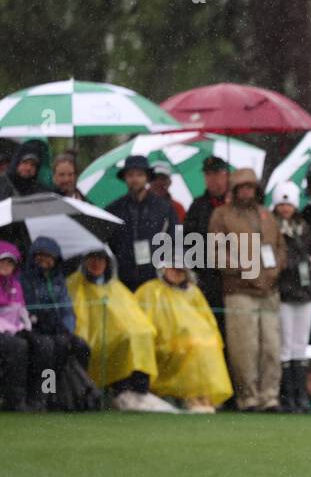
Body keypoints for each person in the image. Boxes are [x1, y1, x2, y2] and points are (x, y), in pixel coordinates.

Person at [207, 168, 284, 411]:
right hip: (239, 289)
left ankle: (269, 395)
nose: (246, 191)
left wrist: (273, 272)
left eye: (250, 187)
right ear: (235, 190)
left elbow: (280, 249)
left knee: (271, 345)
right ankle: (248, 396)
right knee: (244, 347)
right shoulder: (222, 215)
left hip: (269, 290)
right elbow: (215, 251)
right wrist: (244, 268)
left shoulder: (266, 215)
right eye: (242, 187)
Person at [65, 245, 172, 411]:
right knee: (125, 339)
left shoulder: (114, 286)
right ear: (84, 262)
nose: (96, 263)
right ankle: (122, 389)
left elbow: (131, 313)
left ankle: (139, 390)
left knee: (142, 334)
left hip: (118, 333)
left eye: (101, 259)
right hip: (96, 337)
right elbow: (81, 320)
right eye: (92, 259)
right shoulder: (75, 284)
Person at [133, 253, 232, 412]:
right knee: (191, 347)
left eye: (180, 269)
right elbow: (141, 320)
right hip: (165, 341)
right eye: (173, 268)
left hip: (196, 339)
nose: (176, 272)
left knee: (207, 346)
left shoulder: (193, 292)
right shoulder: (151, 290)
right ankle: (191, 395)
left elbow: (208, 320)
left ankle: (202, 396)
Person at [18, 237, 91, 411]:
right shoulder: (25, 279)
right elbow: (25, 307)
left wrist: (67, 328)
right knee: (47, 348)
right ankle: (43, 395)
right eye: (41, 256)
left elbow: (66, 309)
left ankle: (75, 393)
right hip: (32, 328)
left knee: (80, 346)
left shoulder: (58, 280)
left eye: (49, 257)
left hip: (56, 329)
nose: (45, 260)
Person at [271, 183, 311, 413]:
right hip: (284, 292)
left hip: (305, 292)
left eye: (289, 203)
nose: (285, 207)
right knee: (286, 345)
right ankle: (287, 395)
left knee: (301, 344)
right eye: (281, 203)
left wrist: (309, 261)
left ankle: (301, 395)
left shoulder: (303, 227)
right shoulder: (272, 227)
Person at [104, 154, 176, 292]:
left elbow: (175, 240)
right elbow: (107, 244)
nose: (135, 179)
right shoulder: (114, 209)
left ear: (147, 177)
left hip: (156, 280)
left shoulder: (164, 208)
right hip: (123, 282)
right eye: (130, 175)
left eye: (139, 174)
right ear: (125, 178)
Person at [183, 156, 231, 323]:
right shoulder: (198, 206)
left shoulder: (237, 205)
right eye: (208, 175)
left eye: (216, 174)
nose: (212, 179)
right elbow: (188, 241)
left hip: (234, 279)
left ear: (226, 175)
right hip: (207, 278)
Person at [0, 242, 32, 410]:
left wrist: (27, 327)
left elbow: (22, 311)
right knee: (18, 347)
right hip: (4, 333)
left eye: (9, 262)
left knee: (44, 345)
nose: (6, 266)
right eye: (2, 261)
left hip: (15, 330)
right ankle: (14, 399)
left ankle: (44, 394)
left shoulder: (16, 285)